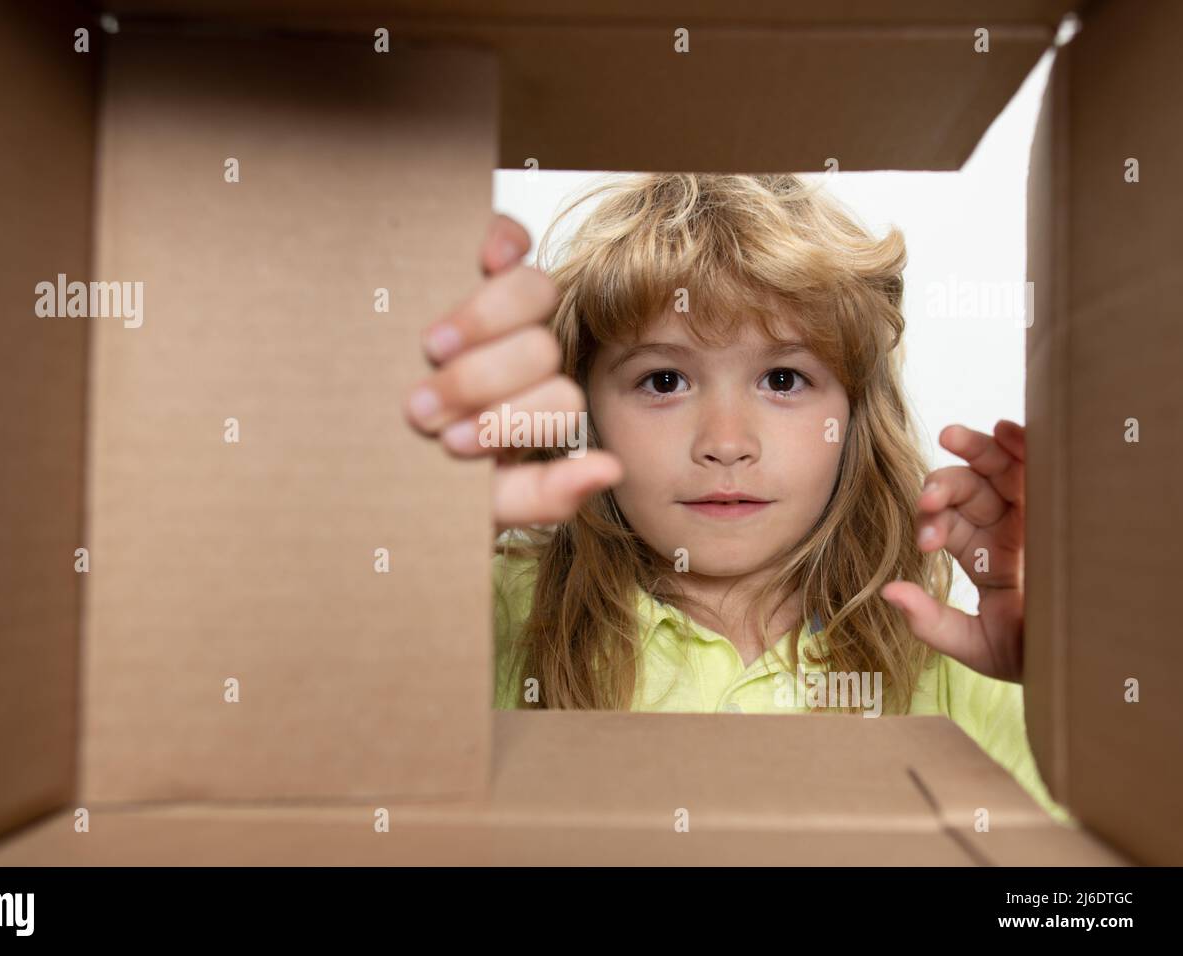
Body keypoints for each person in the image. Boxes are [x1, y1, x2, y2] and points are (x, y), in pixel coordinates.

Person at [403, 173, 1069, 825]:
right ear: (585, 415)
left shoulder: (955, 660)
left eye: (782, 379)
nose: (726, 443)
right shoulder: (496, 615)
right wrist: (428, 512)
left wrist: (1068, 670)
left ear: (853, 421)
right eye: (664, 381)